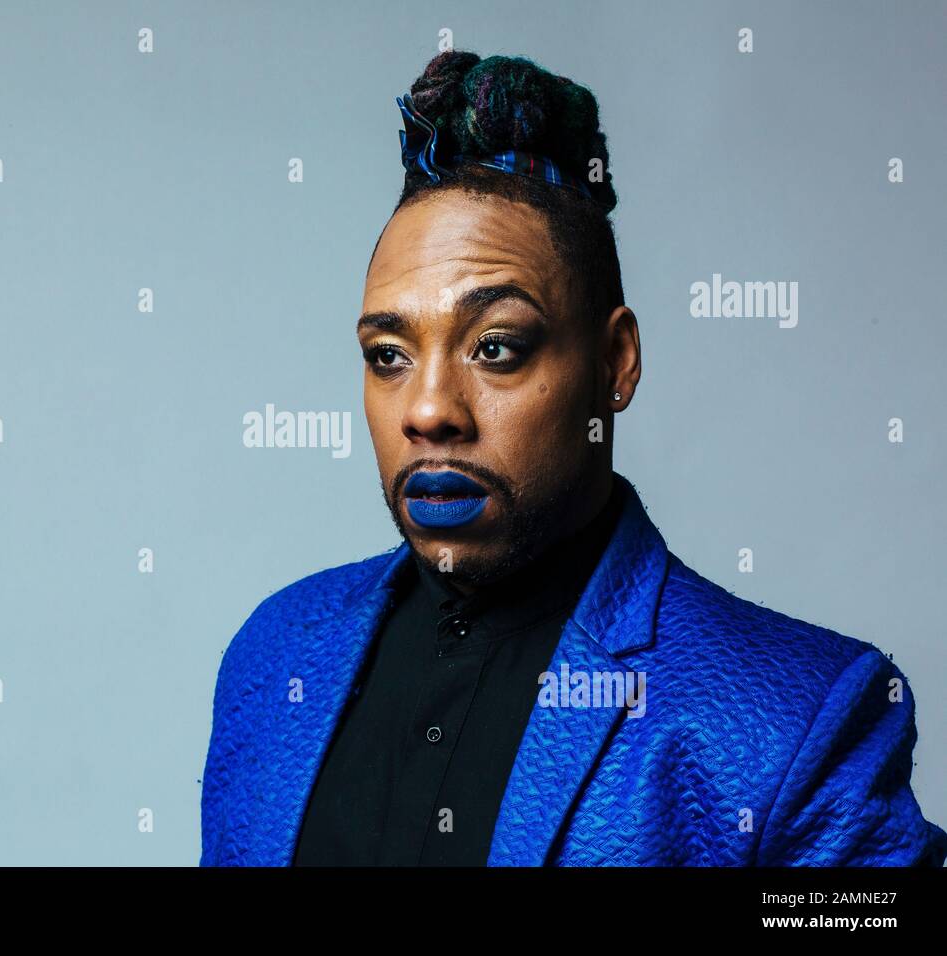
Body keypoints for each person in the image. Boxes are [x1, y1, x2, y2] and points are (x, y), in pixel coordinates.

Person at [199, 50, 947, 866]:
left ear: (615, 360)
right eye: (388, 355)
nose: (427, 411)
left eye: (497, 347)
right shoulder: (274, 656)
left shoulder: (797, 721)